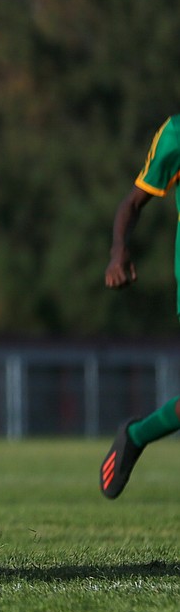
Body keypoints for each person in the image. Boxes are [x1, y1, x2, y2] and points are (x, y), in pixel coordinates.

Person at [100, 115, 180, 498]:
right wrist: (119, 251)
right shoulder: (176, 133)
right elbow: (133, 203)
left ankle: (137, 435)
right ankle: (135, 435)